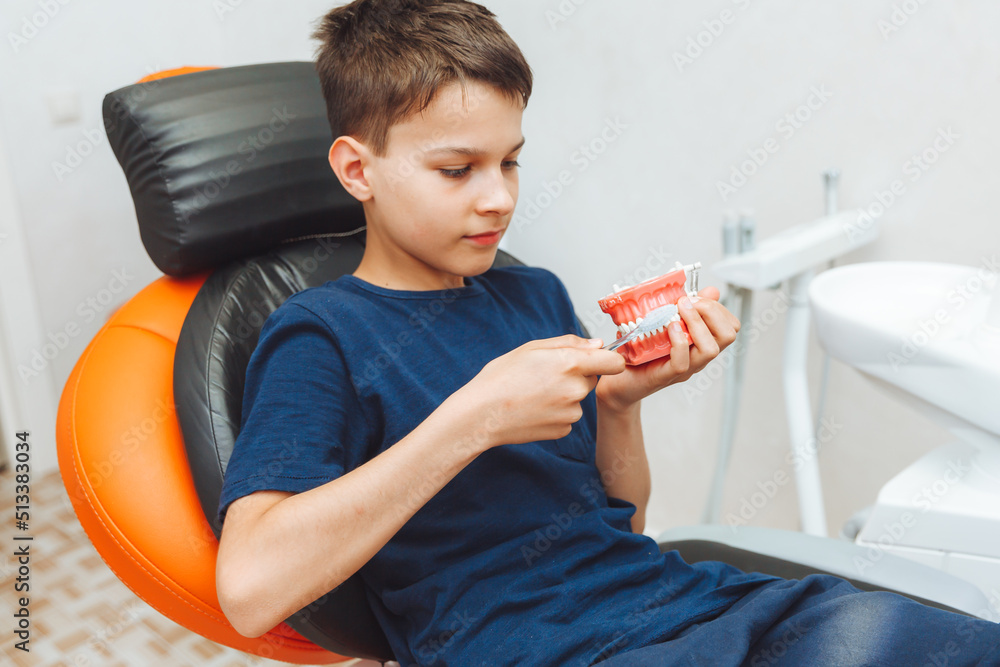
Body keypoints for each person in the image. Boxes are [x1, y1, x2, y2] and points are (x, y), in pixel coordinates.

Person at [214, 1, 1000, 665]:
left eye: (511, 162)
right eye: (458, 170)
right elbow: (250, 592)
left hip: (686, 607)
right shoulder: (321, 335)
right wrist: (474, 418)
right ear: (358, 170)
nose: (497, 199)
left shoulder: (532, 293)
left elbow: (615, 516)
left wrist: (621, 406)